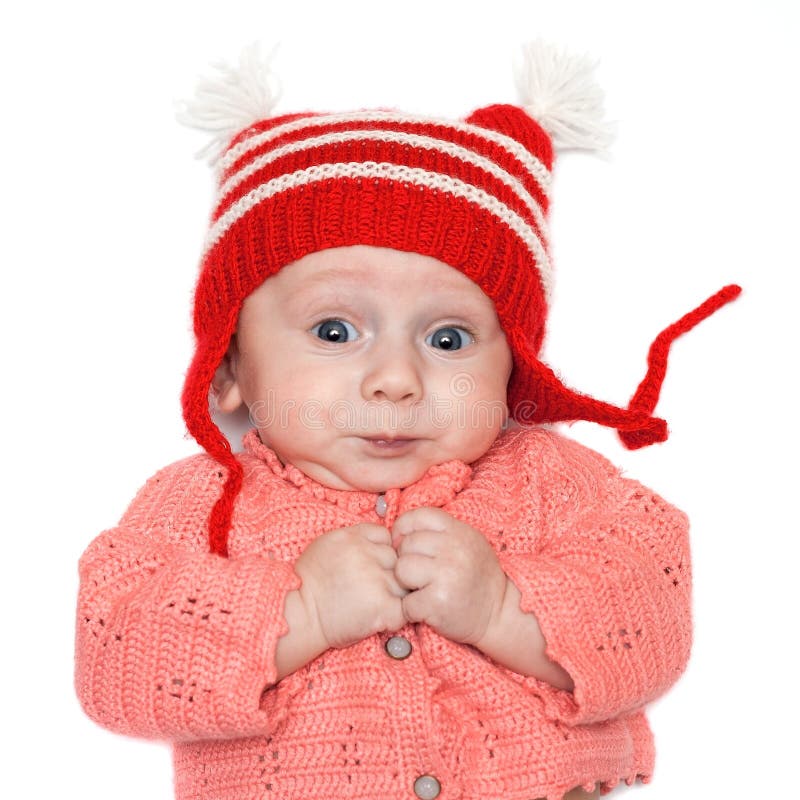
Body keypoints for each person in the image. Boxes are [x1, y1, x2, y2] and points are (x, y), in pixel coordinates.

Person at [74, 42, 739, 800]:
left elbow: (649, 595)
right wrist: (300, 612)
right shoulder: (195, 506)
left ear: (511, 369)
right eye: (334, 332)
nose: (395, 380)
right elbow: (117, 653)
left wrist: (504, 608)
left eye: (447, 339)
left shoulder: (547, 477)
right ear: (228, 369)